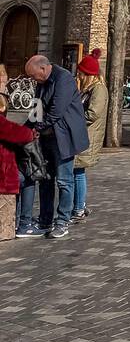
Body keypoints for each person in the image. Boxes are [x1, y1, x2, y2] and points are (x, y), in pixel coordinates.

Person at [22, 54, 89, 238]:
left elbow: (56, 111)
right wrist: (23, 129)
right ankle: (45, 220)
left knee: (64, 180)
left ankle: (62, 221)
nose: (32, 80)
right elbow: (36, 108)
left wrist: (37, 128)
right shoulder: (41, 82)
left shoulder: (64, 78)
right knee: (45, 179)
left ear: (43, 69)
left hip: (63, 137)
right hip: (47, 138)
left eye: (33, 76)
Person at [0, 66, 39, 239]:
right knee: (28, 178)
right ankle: (24, 224)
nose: (6, 82)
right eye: (3, 78)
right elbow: (13, 131)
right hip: (3, 170)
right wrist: (31, 133)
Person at [72, 51, 107, 222]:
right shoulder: (87, 88)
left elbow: (93, 114)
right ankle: (78, 205)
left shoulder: (99, 90)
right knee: (76, 171)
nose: (78, 76)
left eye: (80, 73)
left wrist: (73, 121)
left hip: (88, 137)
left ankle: (78, 207)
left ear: (88, 74)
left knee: (78, 171)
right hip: (81, 135)